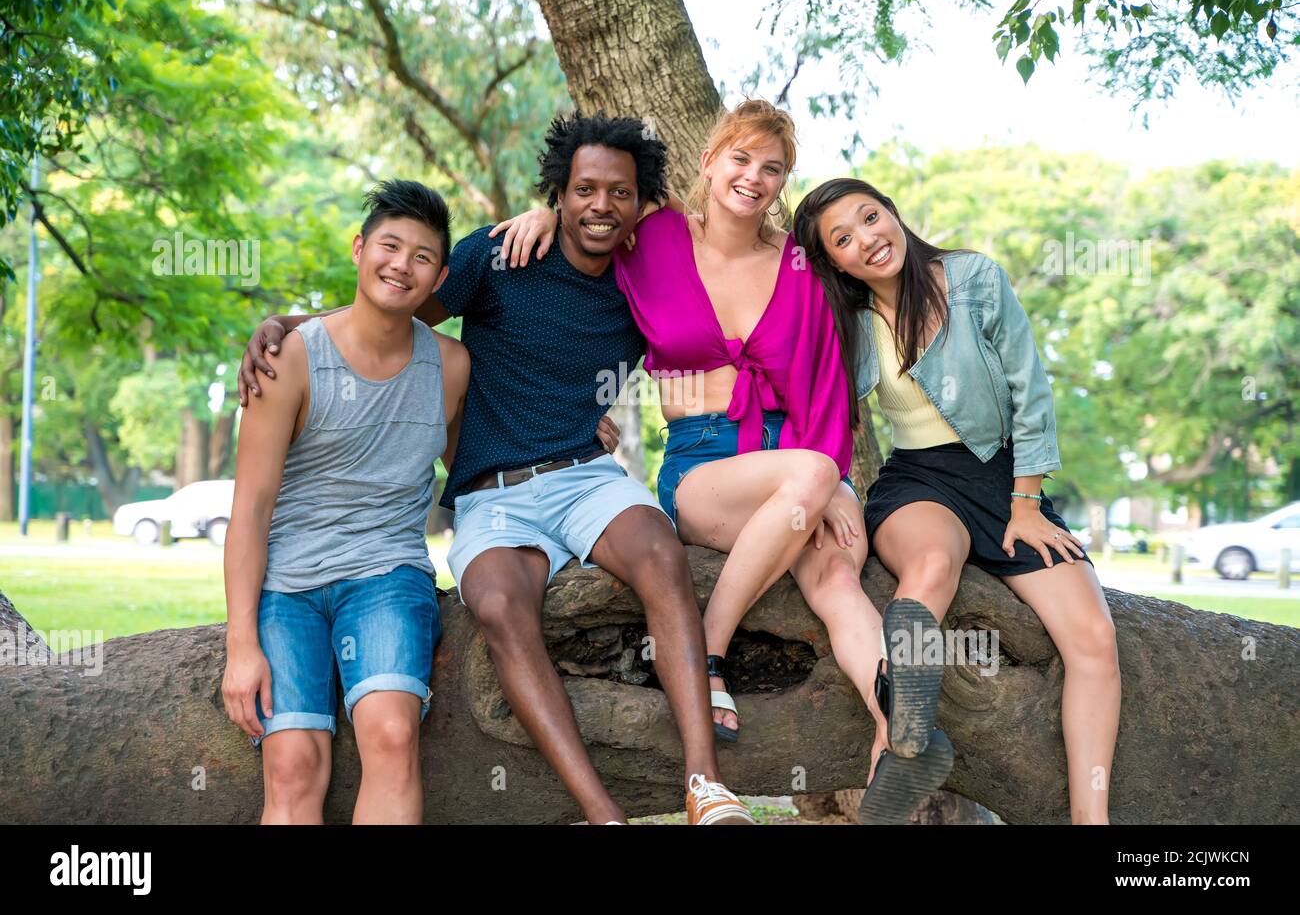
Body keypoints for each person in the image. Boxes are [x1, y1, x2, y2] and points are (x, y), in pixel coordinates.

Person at [237, 113, 754, 825]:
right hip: (494, 491)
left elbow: (725, 297)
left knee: (660, 549)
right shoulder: (501, 255)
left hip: (585, 476)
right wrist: (291, 326)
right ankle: (605, 817)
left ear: (641, 205)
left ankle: (704, 782)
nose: (600, 205)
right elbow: (391, 305)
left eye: (619, 193)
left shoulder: (644, 281)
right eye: (583, 190)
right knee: (501, 605)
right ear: (560, 193)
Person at [495, 100, 952, 824]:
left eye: (772, 168)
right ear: (709, 162)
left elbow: (828, 380)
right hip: (707, 467)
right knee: (809, 487)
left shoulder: (799, 265)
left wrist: (829, 475)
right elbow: (590, 225)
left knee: (837, 572)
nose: (754, 177)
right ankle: (708, 651)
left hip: (795, 464)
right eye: (741, 159)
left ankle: (903, 727)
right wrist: (545, 216)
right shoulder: (654, 237)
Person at [793, 177, 1121, 824]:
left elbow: (1031, 391)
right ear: (834, 260)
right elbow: (825, 412)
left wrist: (1026, 502)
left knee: (1094, 637)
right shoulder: (849, 322)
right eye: (843, 238)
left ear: (892, 212)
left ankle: (1092, 818)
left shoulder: (973, 278)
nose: (867, 238)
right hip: (918, 482)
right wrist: (819, 486)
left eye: (870, 216)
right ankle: (903, 738)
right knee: (931, 568)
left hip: (1006, 482)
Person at [221, 180, 469, 823]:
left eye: (422, 257)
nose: (401, 265)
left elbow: (481, 459)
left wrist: (585, 422)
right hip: (290, 584)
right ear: (359, 250)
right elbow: (248, 509)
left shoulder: (451, 367)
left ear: (440, 275)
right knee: (292, 763)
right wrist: (241, 645)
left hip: (386, 575)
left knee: (390, 734)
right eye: (389, 245)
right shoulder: (290, 360)